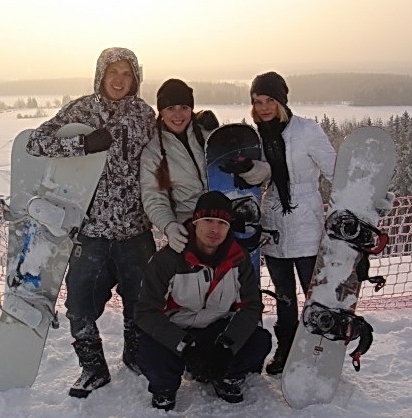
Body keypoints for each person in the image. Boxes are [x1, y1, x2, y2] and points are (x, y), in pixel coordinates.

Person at [26, 47, 157, 397]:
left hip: (135, 231)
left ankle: (135, 355)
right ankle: (93, 367)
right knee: (79, 305)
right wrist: (81, 145)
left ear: (135, 79)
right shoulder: (81, 109)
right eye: (113, 72)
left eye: (126, 73)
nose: (119, 79)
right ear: (101, 75)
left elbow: (165, 154)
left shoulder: (144, 114)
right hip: (91, 232)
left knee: (141, 301)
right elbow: (35, 143)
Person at [134, 191, 272, 411]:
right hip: (177, 330)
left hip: (217, 330)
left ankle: (226, 376)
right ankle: (164, 387)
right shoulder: (168, 259)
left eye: (222, 223)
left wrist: (227, 346)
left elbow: (251, 306)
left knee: (259, 341)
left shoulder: (238, 258)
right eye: (208, 220)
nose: (214, 229)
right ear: (195, 222)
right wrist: (184, 346)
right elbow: (146, 312)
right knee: (147, 349)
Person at [238, 72, 337, 375]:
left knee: (314, 294)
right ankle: (287, 348)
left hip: (306, 223)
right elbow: (263, 177)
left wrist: (359, 201)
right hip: (274, 224)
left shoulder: (307, 131)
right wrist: (248, 168)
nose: (264, 107)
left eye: (270, 100)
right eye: (257, 102)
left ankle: (319, 350)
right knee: (284, 298)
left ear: (281, 101)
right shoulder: (257, 137)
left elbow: (335, 170)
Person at [140, 78, 218, 253]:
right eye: (170, 108)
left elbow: (232, 163)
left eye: (184, 107)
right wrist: (169, 226)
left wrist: (254, 169)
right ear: (161, 111)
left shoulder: (207, 136)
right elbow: (154, 198)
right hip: (188, 229)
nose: (178, 115)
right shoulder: (154, 152)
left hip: (222, 224)